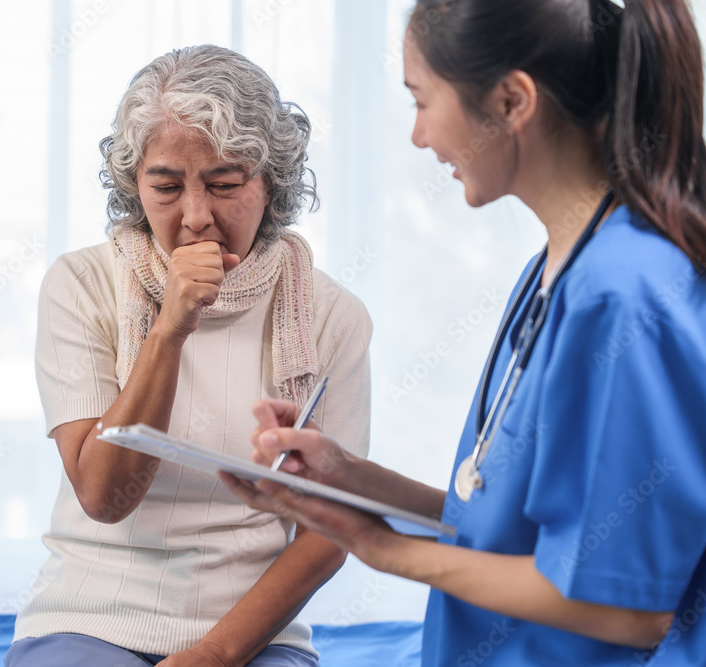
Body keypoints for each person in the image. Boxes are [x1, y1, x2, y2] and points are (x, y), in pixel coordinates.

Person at [221, 1, 706, 665]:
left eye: (422, 101)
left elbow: (629, 608)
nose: (419, 135)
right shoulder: (558, 266)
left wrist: (384, 549)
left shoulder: (622, 293)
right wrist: (351, 478)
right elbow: (507, 525)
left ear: (511, 101)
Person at [5, 45, 373, 667]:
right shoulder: (80, 285)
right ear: (135, 186)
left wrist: (218, 653)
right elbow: (104, 496)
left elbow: (329, 530)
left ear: (272, 182)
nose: (197, 217)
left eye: (225, 185)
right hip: (89, 616)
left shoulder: (332, 314)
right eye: (167, 186)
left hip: (252, 632)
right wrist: (169, 330)